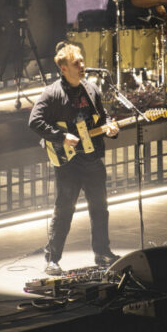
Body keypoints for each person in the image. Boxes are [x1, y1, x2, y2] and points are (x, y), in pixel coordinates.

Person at [28, 41, 120, 275]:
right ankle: (53, 258)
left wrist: (110, 126)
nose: (81, 66)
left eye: (81, 61)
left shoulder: (91, 89)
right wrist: (61, 136)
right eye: (76, 63)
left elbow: (103, 116)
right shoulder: (52, 93)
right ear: (63, 69)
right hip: (69, 163)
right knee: (64, 211)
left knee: (100, 208)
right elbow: (35, 121)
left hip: (92, 158)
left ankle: (102, 252)